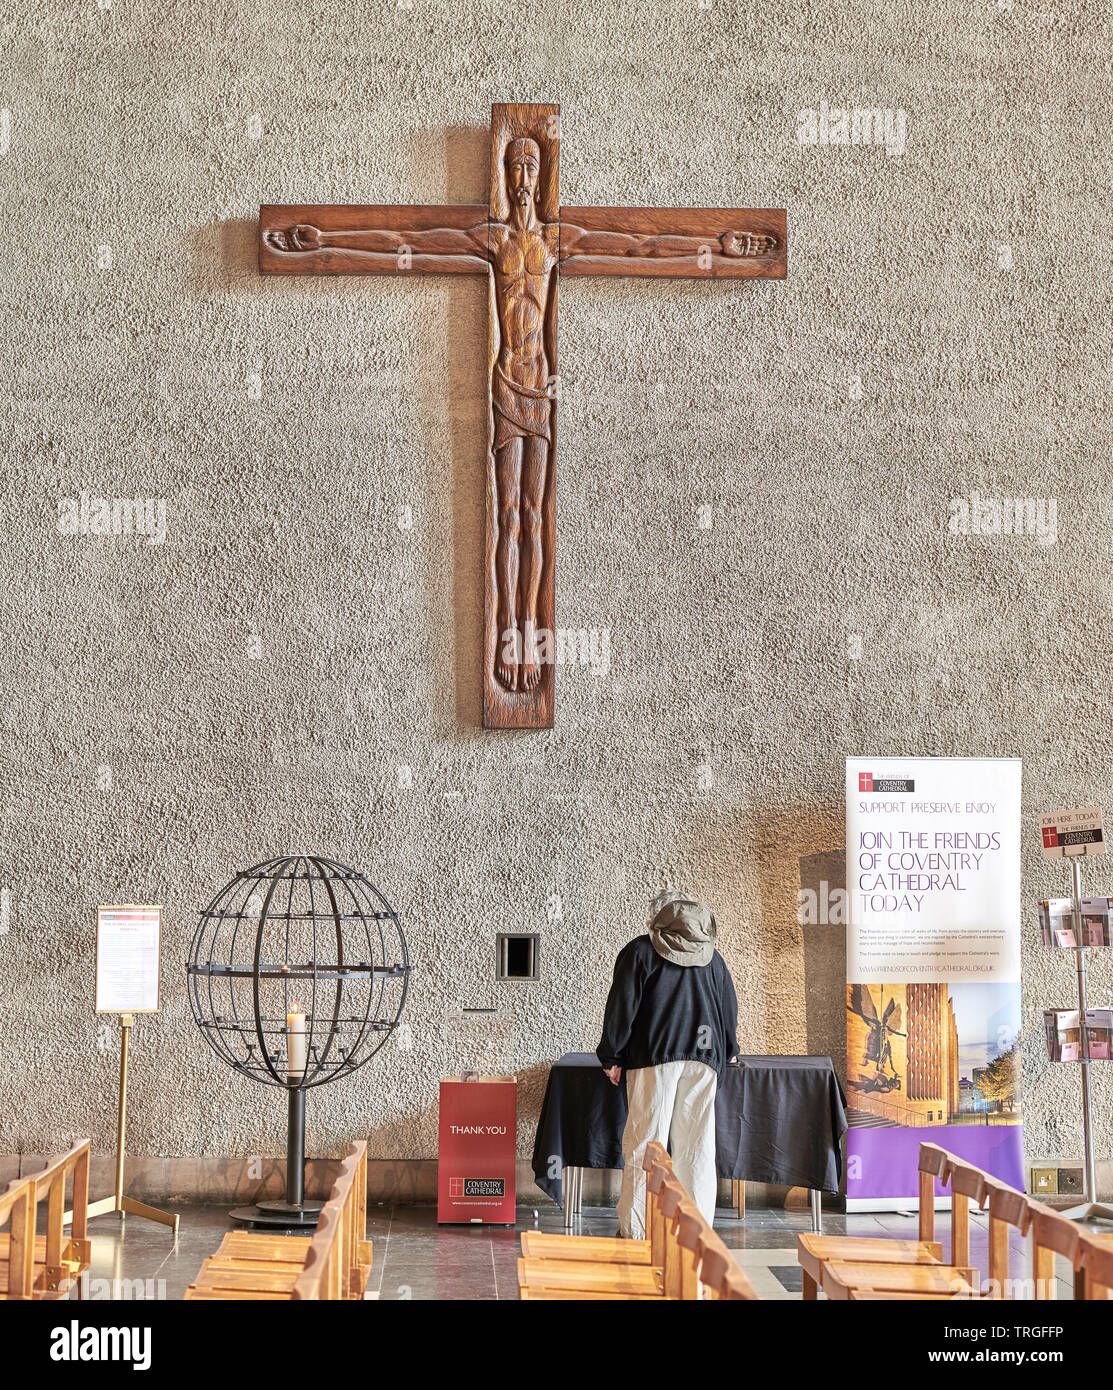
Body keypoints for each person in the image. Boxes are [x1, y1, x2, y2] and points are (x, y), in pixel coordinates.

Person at [598, 891, 738, 1237]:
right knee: (697, 1147)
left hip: (654, 1057)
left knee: (646, 1143)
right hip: (705, 1061)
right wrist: (730, 1049)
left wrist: (612, 1056)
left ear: (657, 919)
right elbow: (727, 1007)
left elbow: (622, 1007)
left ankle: (637, 1230)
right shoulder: (712, 958)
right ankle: (695, 1231)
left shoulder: (641, 951)